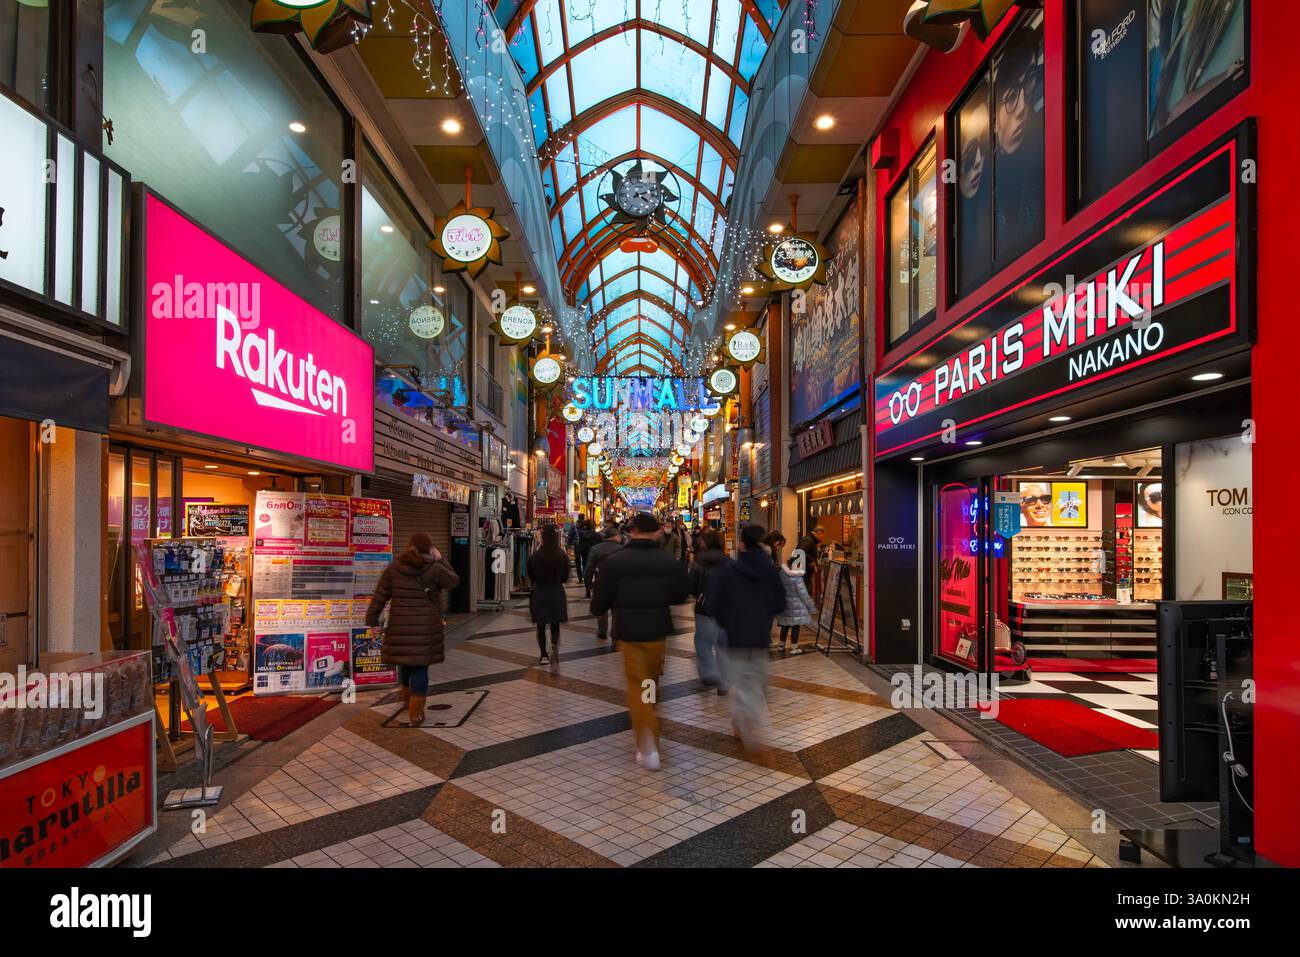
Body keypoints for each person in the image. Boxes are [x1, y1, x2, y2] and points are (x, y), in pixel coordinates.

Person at [590, 512, 690, 770]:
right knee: (651, 683)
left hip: (631, 632)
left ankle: (648, 745)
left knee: (639, 686)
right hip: (658, 631)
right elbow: (680, 596)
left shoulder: (615, 562)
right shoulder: (667, 561)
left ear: (632, 532)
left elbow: (599, 603)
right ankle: (650, 728)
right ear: (657, 532)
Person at [365, 532, 460, 727]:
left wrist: (372, 619)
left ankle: (407, 699)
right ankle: (416, 711)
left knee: (405, 663)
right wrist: (442, 561)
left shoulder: (394, 568)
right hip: (426, 628)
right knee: (419, 667)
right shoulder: (434, 569)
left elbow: (380, 596)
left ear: (410, 547)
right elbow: (454, 581)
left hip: (400, 625)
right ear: (429, 549)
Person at [706, 524, 785, 752]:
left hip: (736, 637)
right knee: (755, 682)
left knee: (742, 681)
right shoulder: (771, 571)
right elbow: (780, 603)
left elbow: (715, 605)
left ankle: (743, 722)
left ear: (742, 544)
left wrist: (729, 623)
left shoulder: (730, 570)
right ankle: (745, 722)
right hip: (760, 637)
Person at [688, 529, 729, 693]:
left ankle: (709, 673)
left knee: (703, 643)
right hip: (725, 611)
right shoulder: (728, 561)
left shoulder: (699, 562)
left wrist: (700, 595)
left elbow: (691, 586)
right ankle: (724, 684)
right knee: (723, 647)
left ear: (706, 543)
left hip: (704, 610)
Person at [527, 524, 570, 665]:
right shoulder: (562, 556)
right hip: (556, 592)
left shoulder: (534, 557)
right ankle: (553, 647)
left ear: (543, 539)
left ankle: (543, 655)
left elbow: (531, 577)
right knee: (555, 624)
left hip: (540, 592)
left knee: (540, 625)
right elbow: (565, 577)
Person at [584, 525, 624, 641]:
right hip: (618, 584)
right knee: (616, 610)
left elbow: (589, 568)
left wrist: (589, 585)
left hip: (601, 582)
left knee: (602, 609)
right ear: (616, 537)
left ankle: (602, 631)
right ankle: (615, 634)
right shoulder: (622, 549)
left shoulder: (596, 549)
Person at [776, 554, 817, 655]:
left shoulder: (781, 573)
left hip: (784, 603)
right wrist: (811, 606)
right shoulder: (797, 577)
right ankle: (794, 648)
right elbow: (803, 593)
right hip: (795, 605)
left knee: (785, 625)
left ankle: (781, 645)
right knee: (796, 626)